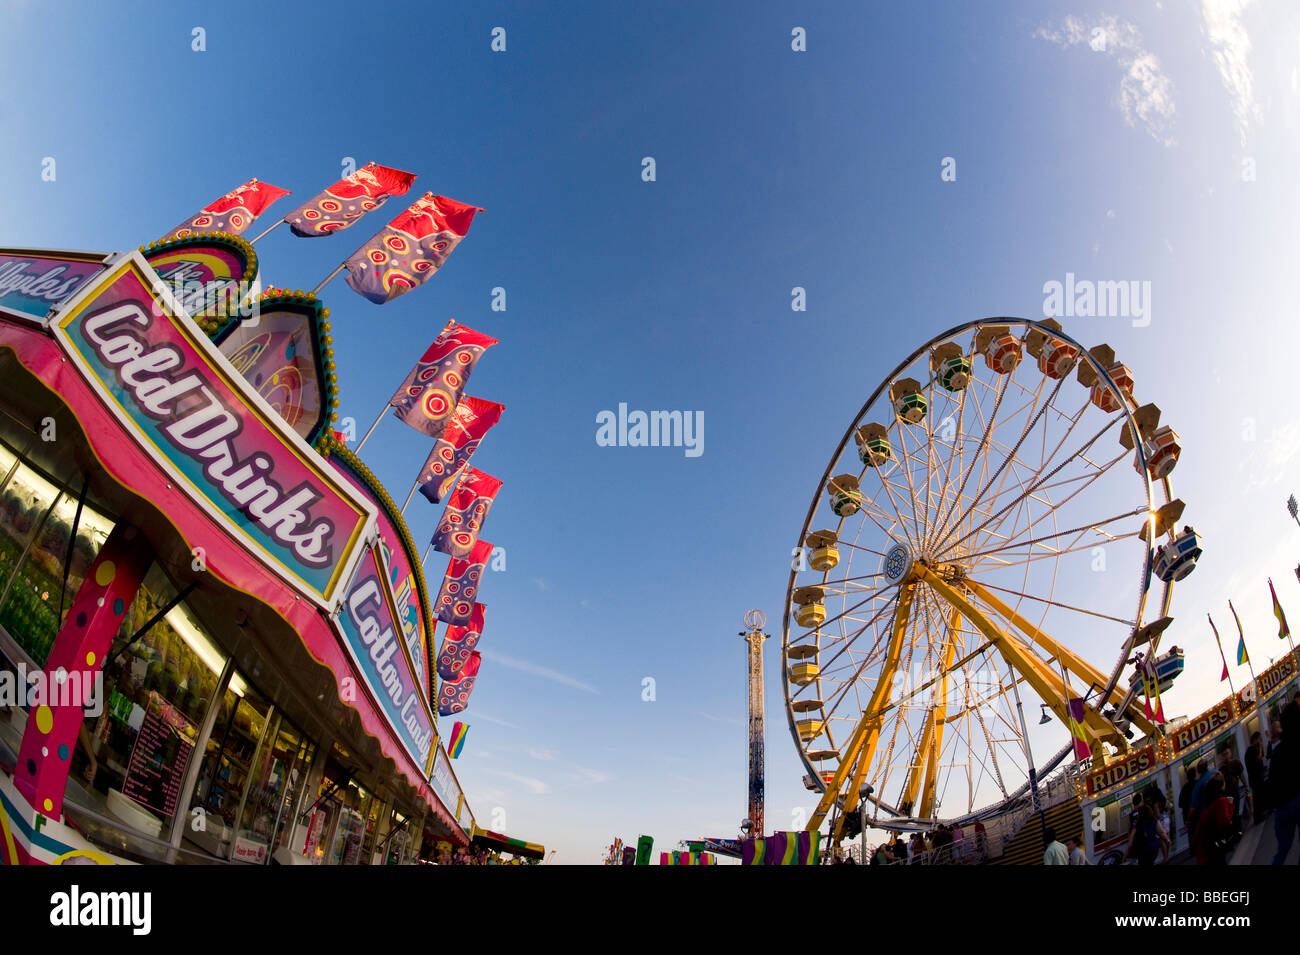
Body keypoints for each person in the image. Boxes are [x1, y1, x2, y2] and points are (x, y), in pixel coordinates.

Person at [1271, 702, 1300, 865]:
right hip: (1297, 798)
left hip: (1283, 806)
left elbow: (1273, 782)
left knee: (1282, 850)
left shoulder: (1278, 751)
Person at [1192, 772, 1235, 866]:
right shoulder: (1221, 802)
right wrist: (1230, 805)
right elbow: (1225, 823)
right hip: (1213, 848)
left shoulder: (1210, 806)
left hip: (1205, 850)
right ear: (1221, 787)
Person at [1246, 732, 1268, 818]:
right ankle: (1259, 815)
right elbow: (1259, 758)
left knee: (1258, 795)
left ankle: (1260, 812)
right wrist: (1260, 746)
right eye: (1259, 739)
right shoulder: (1252, 749)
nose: (1260, 741)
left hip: (1255, 777)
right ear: (1255, 739)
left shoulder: (1251, 750)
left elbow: (1262, 755)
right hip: (1256, 777)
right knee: (1258, 796)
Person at [1178, 765, 1199, 835]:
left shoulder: (1184, 788)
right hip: (1198, 814)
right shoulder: (1198, 784)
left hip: (1188, 818)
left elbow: (1180, 804)